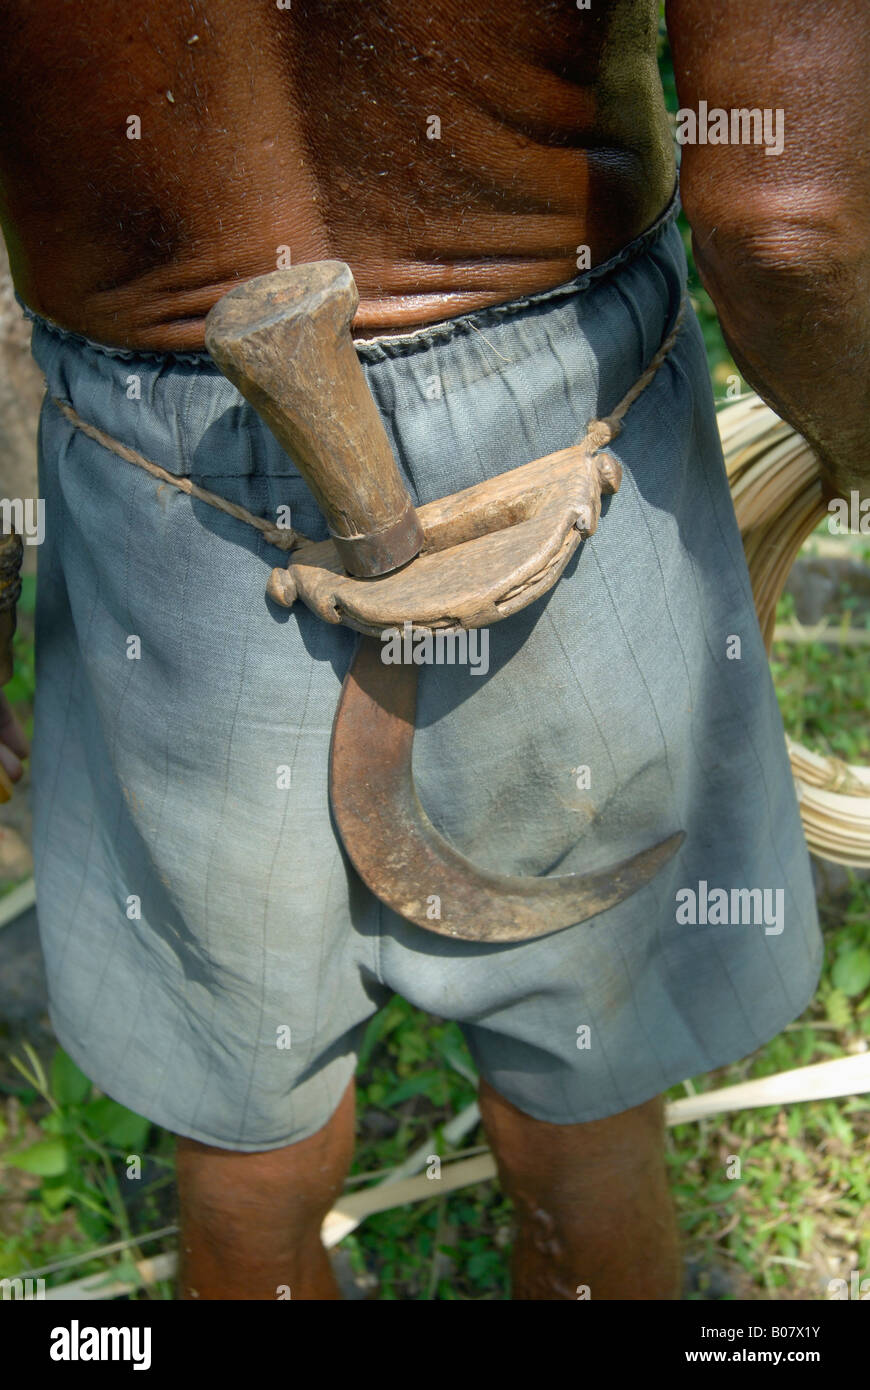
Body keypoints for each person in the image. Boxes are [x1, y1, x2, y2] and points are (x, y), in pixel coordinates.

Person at [0, 0, 863, 1300]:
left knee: (242, 1149)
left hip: (161, 489)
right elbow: (787, 224)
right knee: (587, 1120)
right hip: (566, 425)